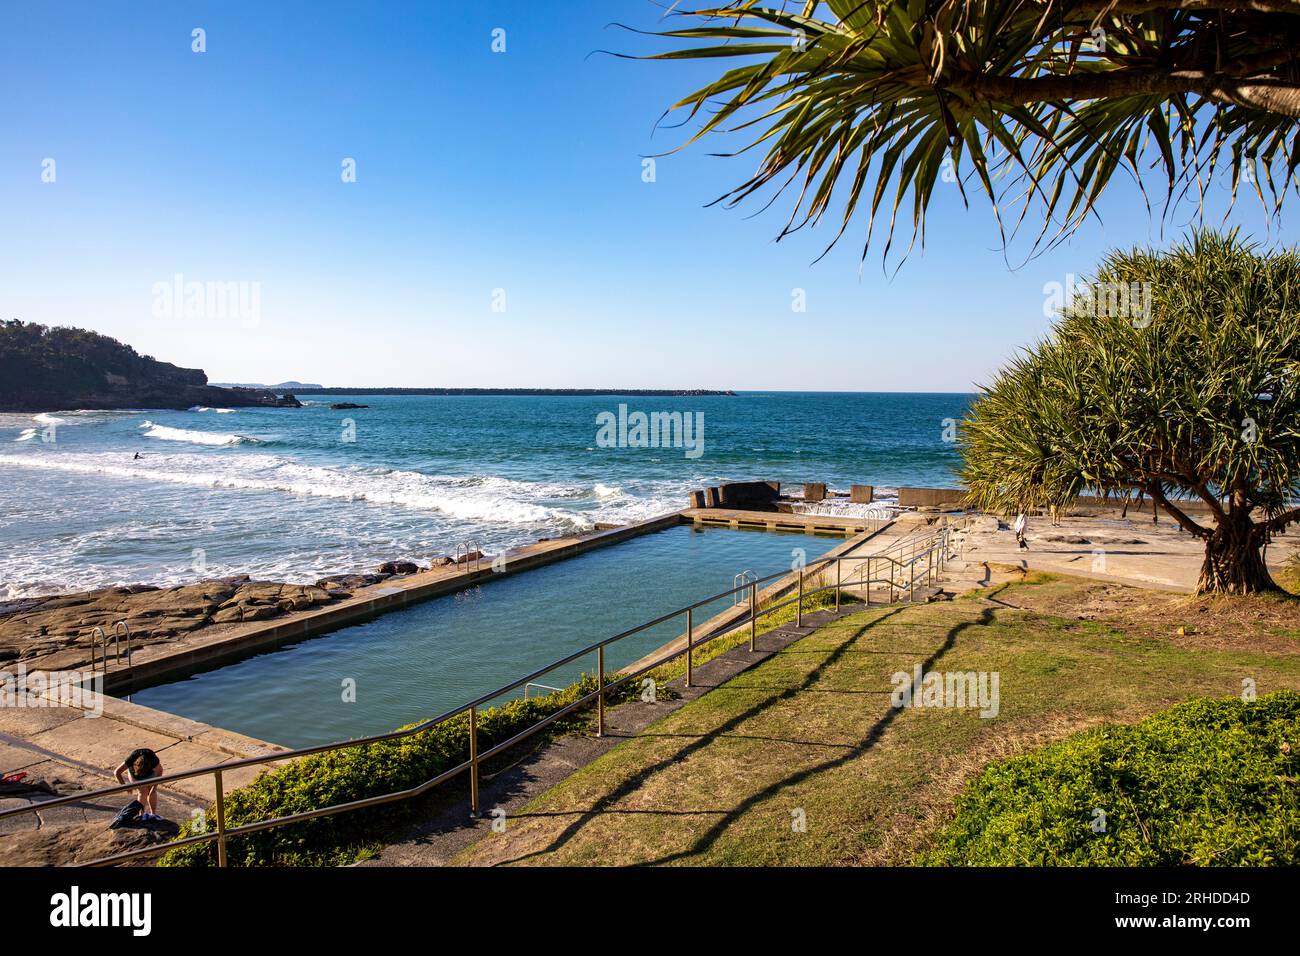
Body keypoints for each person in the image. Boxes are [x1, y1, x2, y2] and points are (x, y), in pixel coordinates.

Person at [114, 748, 164, 822]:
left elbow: (160, 771)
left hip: (150, 773)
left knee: (152, 791)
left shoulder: (153, 760)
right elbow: (117, 772)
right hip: (134, 774)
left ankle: (153, 814)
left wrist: (154, 787)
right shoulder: (131, 759)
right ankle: (141, 815)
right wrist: (125, 787)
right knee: (143, 792)